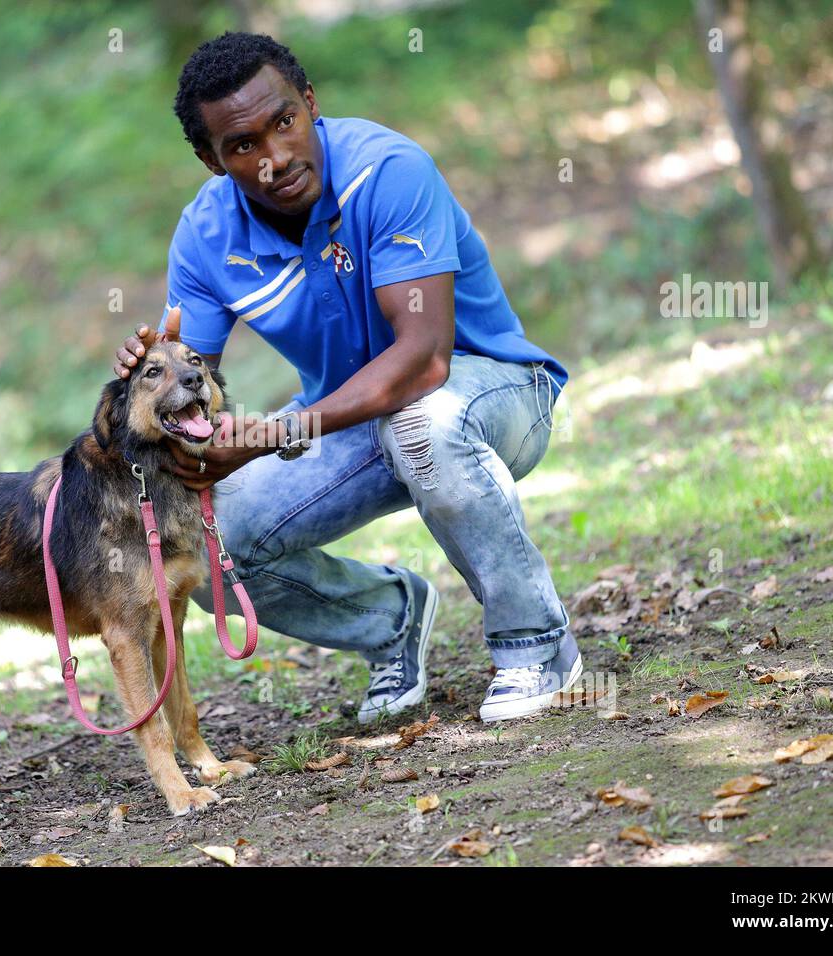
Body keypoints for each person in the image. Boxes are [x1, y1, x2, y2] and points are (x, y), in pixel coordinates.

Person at [113, 32, 581, 724]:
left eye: (284, 123)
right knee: (208, 540)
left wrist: (279, 430)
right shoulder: (207, 236)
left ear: (310, 103)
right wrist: (153, 387)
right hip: (352, 423)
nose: (274, 157)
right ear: (210, 158)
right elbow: (192, 379)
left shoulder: (386, 171)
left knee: (421, 424)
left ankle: (537, 646)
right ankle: (389, 620)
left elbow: (424, 361)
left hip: (491, 397)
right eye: (242, 146)